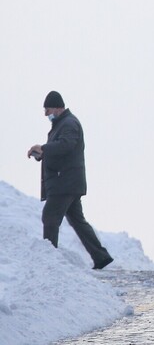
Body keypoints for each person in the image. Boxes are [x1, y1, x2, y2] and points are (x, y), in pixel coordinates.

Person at [27, 91, 113, 270]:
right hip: (66, 182)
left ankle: (48, 261)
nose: (45, 114)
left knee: (50, 217)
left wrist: (43, 148)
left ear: (58, 107)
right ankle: (101, 256)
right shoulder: (62, 124)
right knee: (77, 221)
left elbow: (66, 145)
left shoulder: (69, 123)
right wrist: (42, 154)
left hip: (64, 182)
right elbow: (59, 151)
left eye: (47, 109)